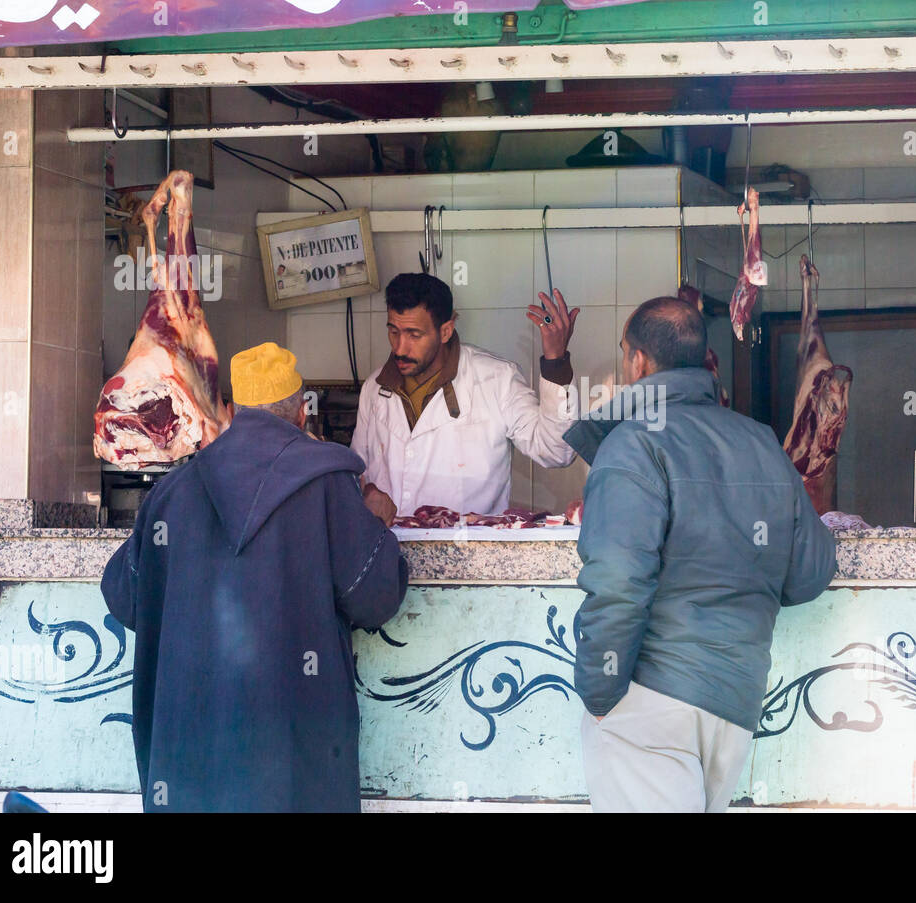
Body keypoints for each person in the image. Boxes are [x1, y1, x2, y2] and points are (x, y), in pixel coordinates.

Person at [101, 342, 408, 812]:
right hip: (293, 766)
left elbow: (124, 597)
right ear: (302, 416)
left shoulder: (173, 492)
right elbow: (376, 597)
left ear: (229, 412)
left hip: (190, 768)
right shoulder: (329, 485)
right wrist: (376, 522)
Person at [563, 297, 838, 813]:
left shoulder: (631, 443)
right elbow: (811, 573)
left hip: (649, 697)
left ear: (637, 361)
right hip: (733, 701)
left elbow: (619, 578)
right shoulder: (760, 443)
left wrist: (600, 691)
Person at [352, 273, 579, 523]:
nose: (400, 348)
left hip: (470, 554)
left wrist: (556, 362)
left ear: (446, 330)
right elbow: (357, 469)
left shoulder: (497, 378)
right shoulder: (375, 388)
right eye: (394, 332)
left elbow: (557, 450)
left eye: (414, 335)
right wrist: (366, 490)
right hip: (388, 549)